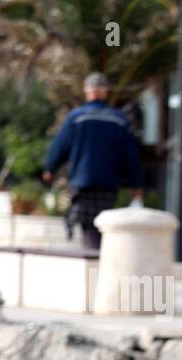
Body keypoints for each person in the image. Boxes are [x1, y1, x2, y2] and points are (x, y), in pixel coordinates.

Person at [42, 72, 144, 250]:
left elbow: (60, 145)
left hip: (83, 181)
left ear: (87, 92)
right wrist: (136, 185)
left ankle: (92, 260)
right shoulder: (119, 119)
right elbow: (131, 155)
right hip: (109, 182)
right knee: (103, 224)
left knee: (87, 223)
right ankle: (97, 258)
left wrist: (50, 168)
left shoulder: (77, 117)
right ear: (105, 92)